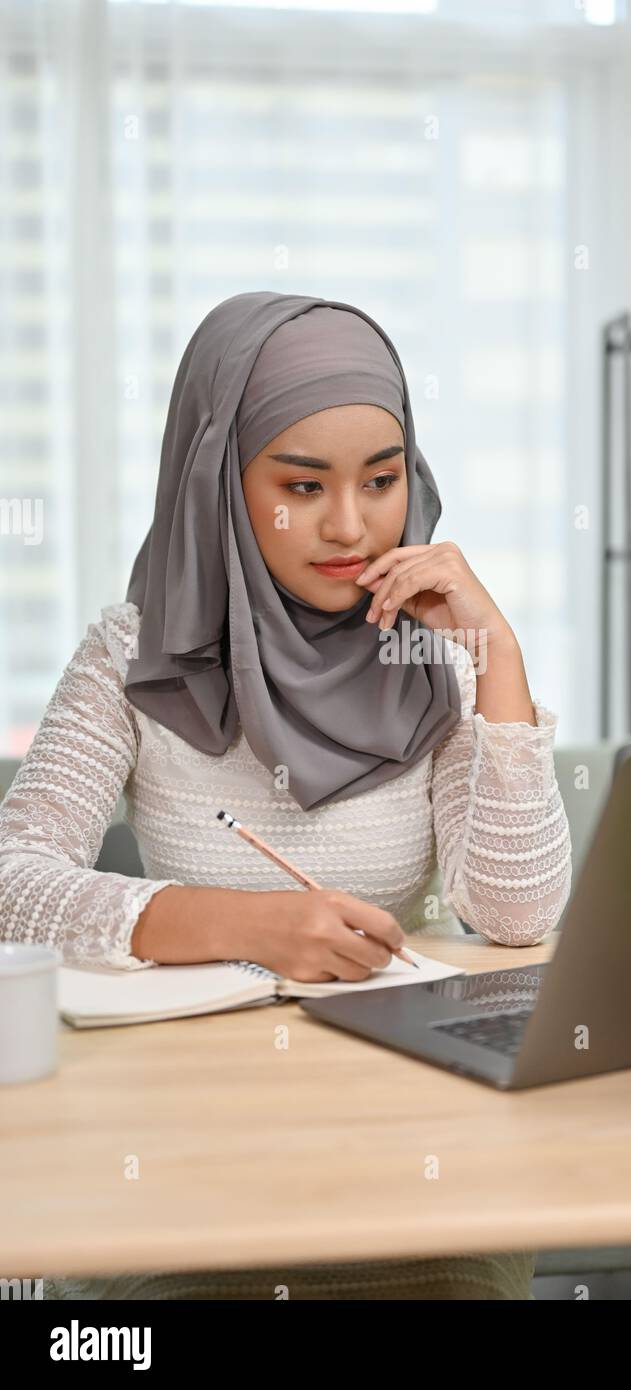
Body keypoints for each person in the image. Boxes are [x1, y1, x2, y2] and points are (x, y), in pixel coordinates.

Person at [0, 292, 573, 1299]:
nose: (349, 526)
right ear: (221, 478)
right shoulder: (131, 657)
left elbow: (515, 912)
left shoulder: (426, 655)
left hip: (411, 1146)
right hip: (181, 1154)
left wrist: (496, 655)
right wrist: (253, 925)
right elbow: (13, 885)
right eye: (301, 485)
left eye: (382, 480)